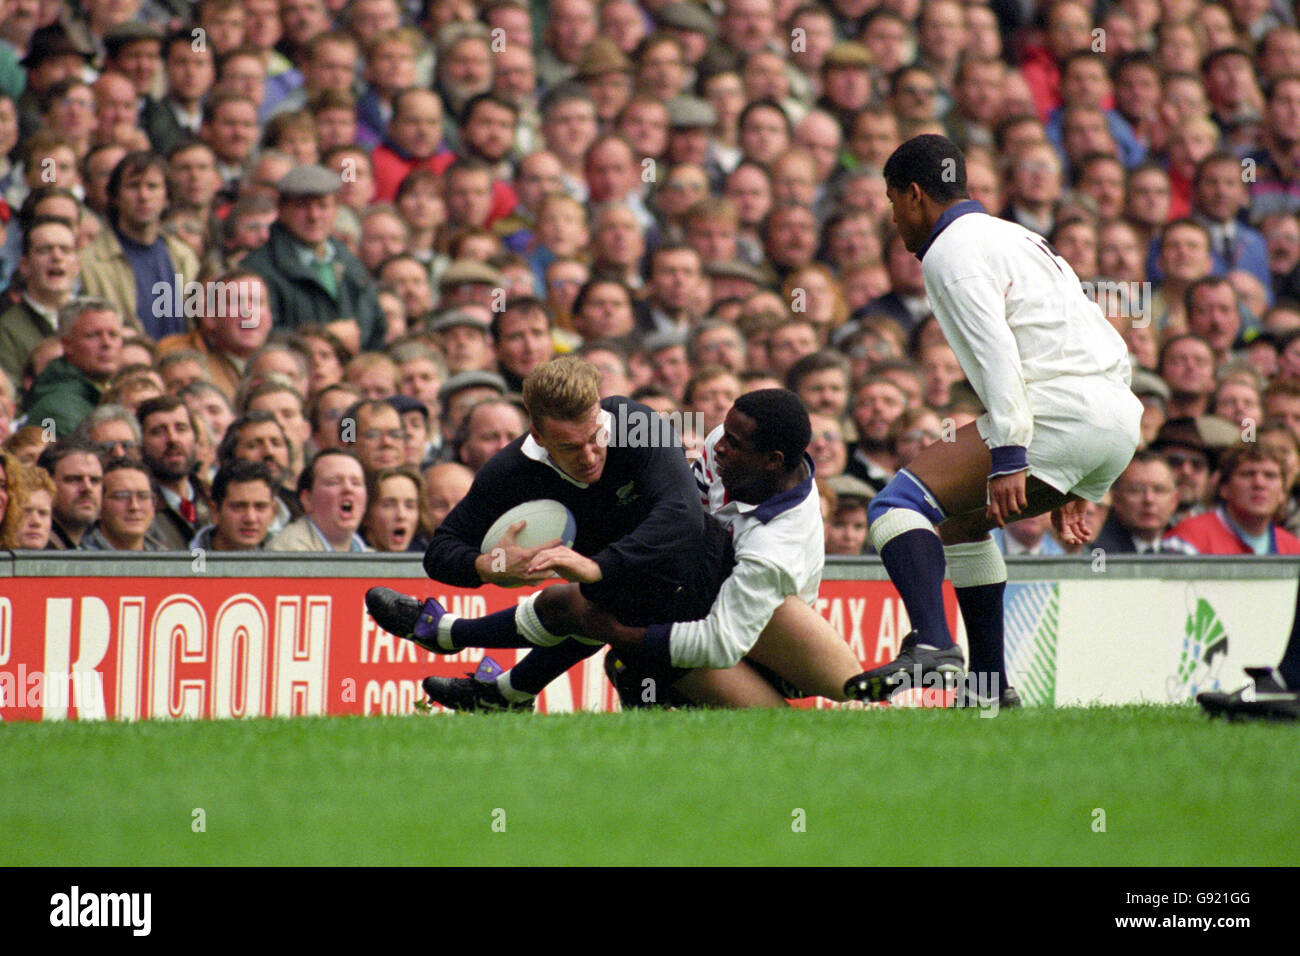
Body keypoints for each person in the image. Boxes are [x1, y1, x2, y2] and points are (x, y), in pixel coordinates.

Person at [852, 135, 1142, 706]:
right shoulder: (1017, 235)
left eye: (891, 203)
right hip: (1113, 415)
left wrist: (1011, 455)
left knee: (894, 507)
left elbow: (998, 357)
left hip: (1056, 415)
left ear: (914, 195)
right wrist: (1080, 480)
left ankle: (933, 646)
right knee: (961, 525)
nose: (894, 219)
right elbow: (1093, 333)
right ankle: (989, 690)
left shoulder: (949, 251)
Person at [366, 354, 736, 710]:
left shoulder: (633, 422)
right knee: (600, 602)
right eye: (570, 447)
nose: (590, 456)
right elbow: (440, 552)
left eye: (596, 437)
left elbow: (683, 515)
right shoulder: (510, 471)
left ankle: (455, 639)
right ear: (538, 436)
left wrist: (598, 567)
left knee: (585, 599)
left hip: (710, 585)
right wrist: (488, 564)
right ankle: (500, 687)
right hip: (638, 615)